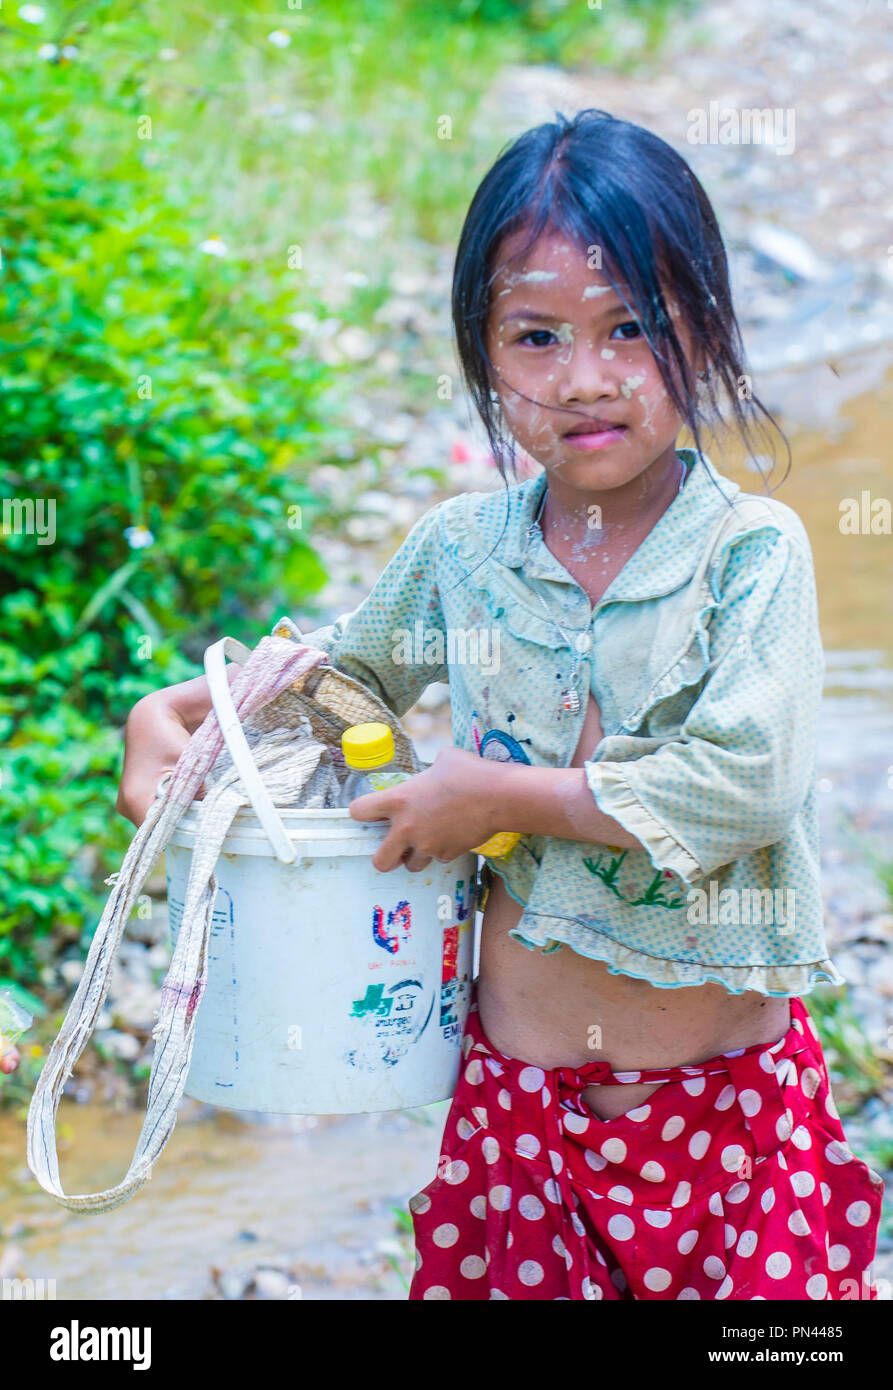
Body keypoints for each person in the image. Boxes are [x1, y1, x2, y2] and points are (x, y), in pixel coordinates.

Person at [117, 108, 884, 1301]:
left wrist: (498, 797)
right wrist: (181, 724)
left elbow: (743, 780)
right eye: (535, 338)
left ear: (706, 327)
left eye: (631, 326)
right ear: (479, 359)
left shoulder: (749, 555)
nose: (584, 377)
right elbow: (340, 693)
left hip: (731, 1122)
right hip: (517, 1111)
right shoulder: (461, 554)